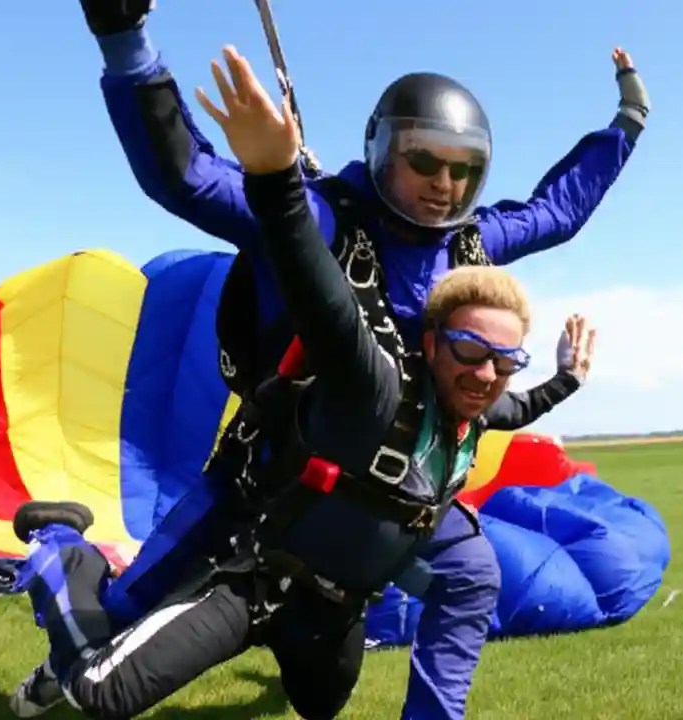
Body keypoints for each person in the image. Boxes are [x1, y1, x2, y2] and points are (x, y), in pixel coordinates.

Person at [67, 3, 638, 717]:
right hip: (268, 484)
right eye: (423, 160)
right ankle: (61, 554)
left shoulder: (470, 247)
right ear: (382, 152)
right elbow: (186, 177)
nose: (444, 184)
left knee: (454, 590)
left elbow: (562, 208)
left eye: (465, 170)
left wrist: (628, 120)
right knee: (116, 616)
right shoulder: (319, 218)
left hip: (386, 501)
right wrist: (127, 44)